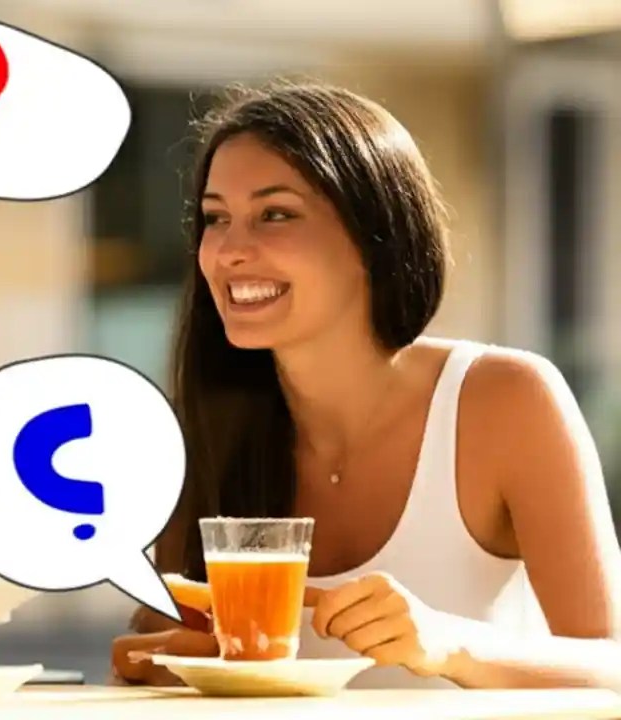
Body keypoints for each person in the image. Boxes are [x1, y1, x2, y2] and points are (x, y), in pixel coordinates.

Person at [111, 81, 621, 691]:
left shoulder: (503, 400)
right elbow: (153, 657)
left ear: (375, 239)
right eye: (217, 218)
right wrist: (156, 658)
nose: (231, 251)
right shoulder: (200, 428)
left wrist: (452, 643)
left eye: (275, 214)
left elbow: (611, 663)